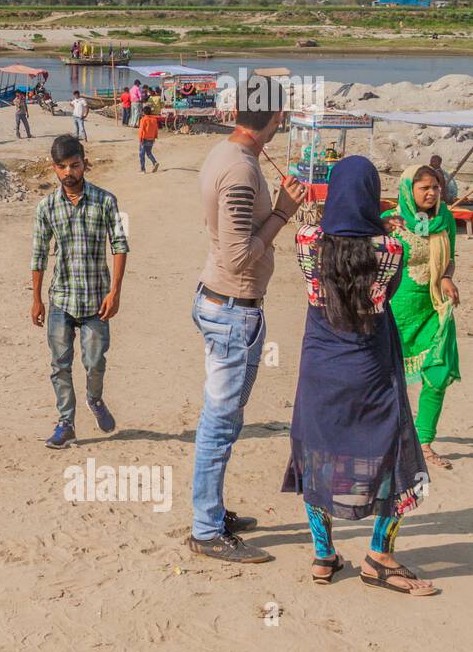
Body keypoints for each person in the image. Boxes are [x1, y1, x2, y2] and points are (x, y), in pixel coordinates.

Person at [283, 157, 435, 595]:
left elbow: (318, 242)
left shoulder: (308, 240)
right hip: (369, 368)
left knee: (318, 454)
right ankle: (379, 557)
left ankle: (323, 555)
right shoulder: (390, 249)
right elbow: (384, 295)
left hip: (320, 368)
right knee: (395, 455)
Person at [189, 84, 307, 563]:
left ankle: (211, 512)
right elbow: (239, 257)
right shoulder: (239, 169)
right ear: (276, 116)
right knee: (219, 423)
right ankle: (204, 529)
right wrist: (282, 212)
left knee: (222, 418)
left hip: (221, 303)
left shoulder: (229, 151)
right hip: (232, 308)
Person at [30, 134, 129, 449]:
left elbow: (120, 246)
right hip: (61, 299)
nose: (68, 172)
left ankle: (95, 399)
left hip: (96, 300)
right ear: (54, 168)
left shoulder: (105, 201)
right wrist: (36, 299)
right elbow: (38, 254)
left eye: (74, 165)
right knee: (60, 364)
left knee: (95, 361)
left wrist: (115, 292)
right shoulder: (46, 207)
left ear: (84, 163)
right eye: (62, 167)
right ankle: (65, 423)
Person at [384, 165, 461, 469]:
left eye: (436, 188)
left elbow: (450, 259)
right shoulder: (390, 222)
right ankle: (389, 439)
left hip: (433, 309)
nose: (431, 193)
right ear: (408, 190)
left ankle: (424, 442)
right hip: (394, 311)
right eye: (424, 188)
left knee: (437, 373)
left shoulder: (446, 221)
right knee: (390, 378)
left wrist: (446, 277)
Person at [137, 103, 160, 172]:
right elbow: (156, 129)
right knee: (149, 152)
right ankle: (154, 162)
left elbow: (141, 130)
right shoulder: (154, 119)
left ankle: (143, 169)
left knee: (141, 154)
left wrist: (140, 139)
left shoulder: (143, 119)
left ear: (143, 112)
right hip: (151, 138)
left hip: (144, 138)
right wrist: (155, 137)